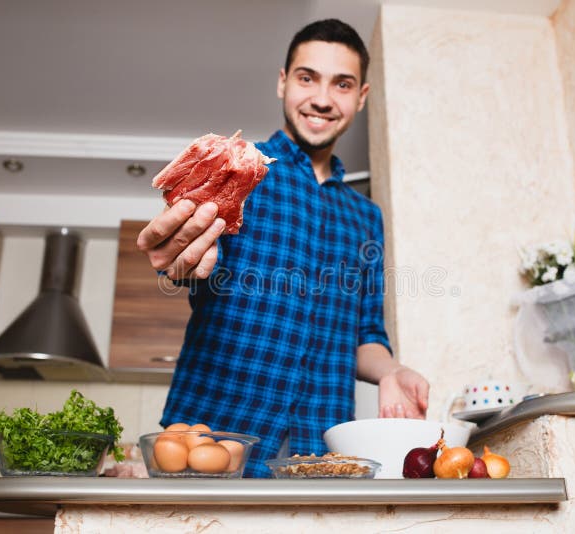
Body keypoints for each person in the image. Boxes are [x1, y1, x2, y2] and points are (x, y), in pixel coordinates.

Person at [137, 19, 429, 478]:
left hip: (321, 448)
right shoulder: (237, 171)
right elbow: (184, 262)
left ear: (362, 97)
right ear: (282, 82)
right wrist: (177, 264)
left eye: (343, 84)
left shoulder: (365, 216)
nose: (321, 98)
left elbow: (365, 335)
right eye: (307, 77)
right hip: (214, 434)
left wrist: (391, 371)